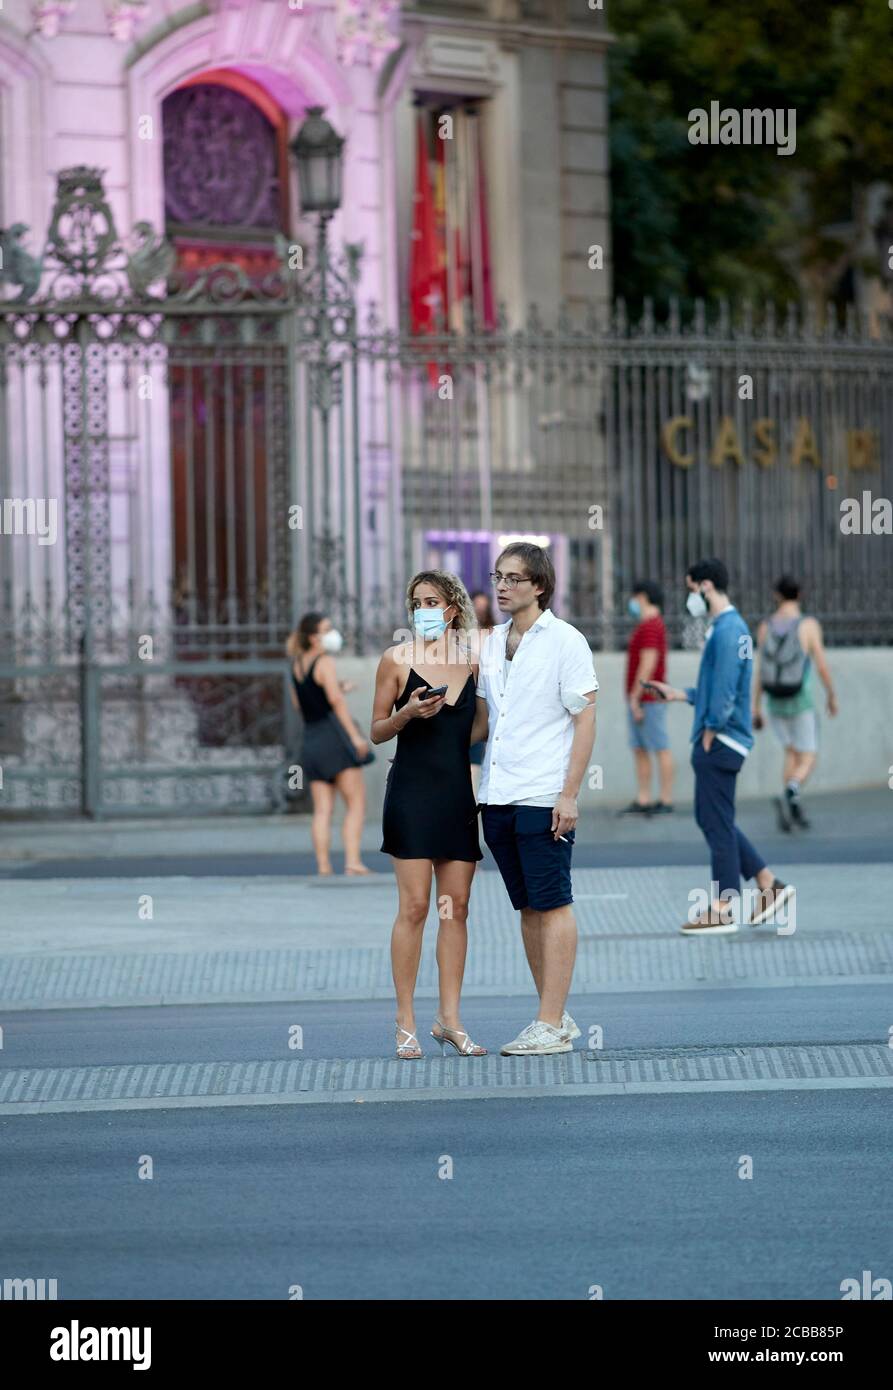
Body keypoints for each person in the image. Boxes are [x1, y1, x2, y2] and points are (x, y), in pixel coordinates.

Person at [476, 542, 598, 1055]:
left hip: (544, 792)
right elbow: (483, 722)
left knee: (554, 903)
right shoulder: (489, 643)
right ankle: (556, 1015)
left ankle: (549, 1024)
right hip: (498, 792)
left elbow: (585, 718)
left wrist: (569, 795)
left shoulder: (566, 641)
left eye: (512, 578)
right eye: (497, 576)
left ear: (539, 586)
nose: (501, 586)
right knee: (527, 907)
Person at [371, 571, 487, 1061]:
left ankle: (450, 1020)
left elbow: (479, 729)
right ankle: (405, 1022)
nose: (423, 608)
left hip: (457, 796)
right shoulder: (396, 660)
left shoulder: (473, 661)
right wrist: (405, 717)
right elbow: (376, 731)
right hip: (412, 797)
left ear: (452, 609)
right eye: (416, 601)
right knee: (416, 907)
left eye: (432, 600)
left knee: (454, 909)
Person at [648, 558, 794, 934]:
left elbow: (727, 689)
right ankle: (767, 884)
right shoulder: (733, 627)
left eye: (691, 588)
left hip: (721, 739)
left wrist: (711, 728)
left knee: (715, 822)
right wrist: (680, 694)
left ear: (707, 586)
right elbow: (721, 686)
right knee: (715, 818)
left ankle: (723, 907)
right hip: (726, 736)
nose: (689, 597)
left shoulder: (728, 630)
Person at [287, 613, 373, 877]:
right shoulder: (324, 661)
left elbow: (300, 704)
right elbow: (335, 702)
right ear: (314, 637)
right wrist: (355, 737)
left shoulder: (297, 665)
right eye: (326, 629)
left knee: (323, 809)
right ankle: (353, 862)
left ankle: (323, 866)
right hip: (334, 737)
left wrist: (338, 688)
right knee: (356, 803)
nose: (331, 633)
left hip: (312, 741)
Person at [752, 576, 838, 832]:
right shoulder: (808, 625)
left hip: (774, 700)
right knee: (809, 754)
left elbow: (760, 669)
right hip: (800, 699)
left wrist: (755, 706)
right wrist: (831, 694)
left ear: (776, 595)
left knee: (791, 751)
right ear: (799, 594)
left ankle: (791, 802)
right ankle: (792, 789)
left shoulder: (765, 626)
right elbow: (820, 665)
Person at [621, 579, 674, 815]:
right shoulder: (647, 624)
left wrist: (635, 697)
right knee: (640, 748)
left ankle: (665, 799)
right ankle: (644, 799)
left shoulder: (651, 625)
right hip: (643, 698)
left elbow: (648, 663)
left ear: (641, 597)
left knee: (659, 747)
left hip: (649, 698)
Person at [468, 589, 498, 798]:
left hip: (484, 700)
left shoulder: (494, 634)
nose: (479, 610)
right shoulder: (458, 634)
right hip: (465, 698)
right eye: (475, 606)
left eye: (483, 606)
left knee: (474, 767)